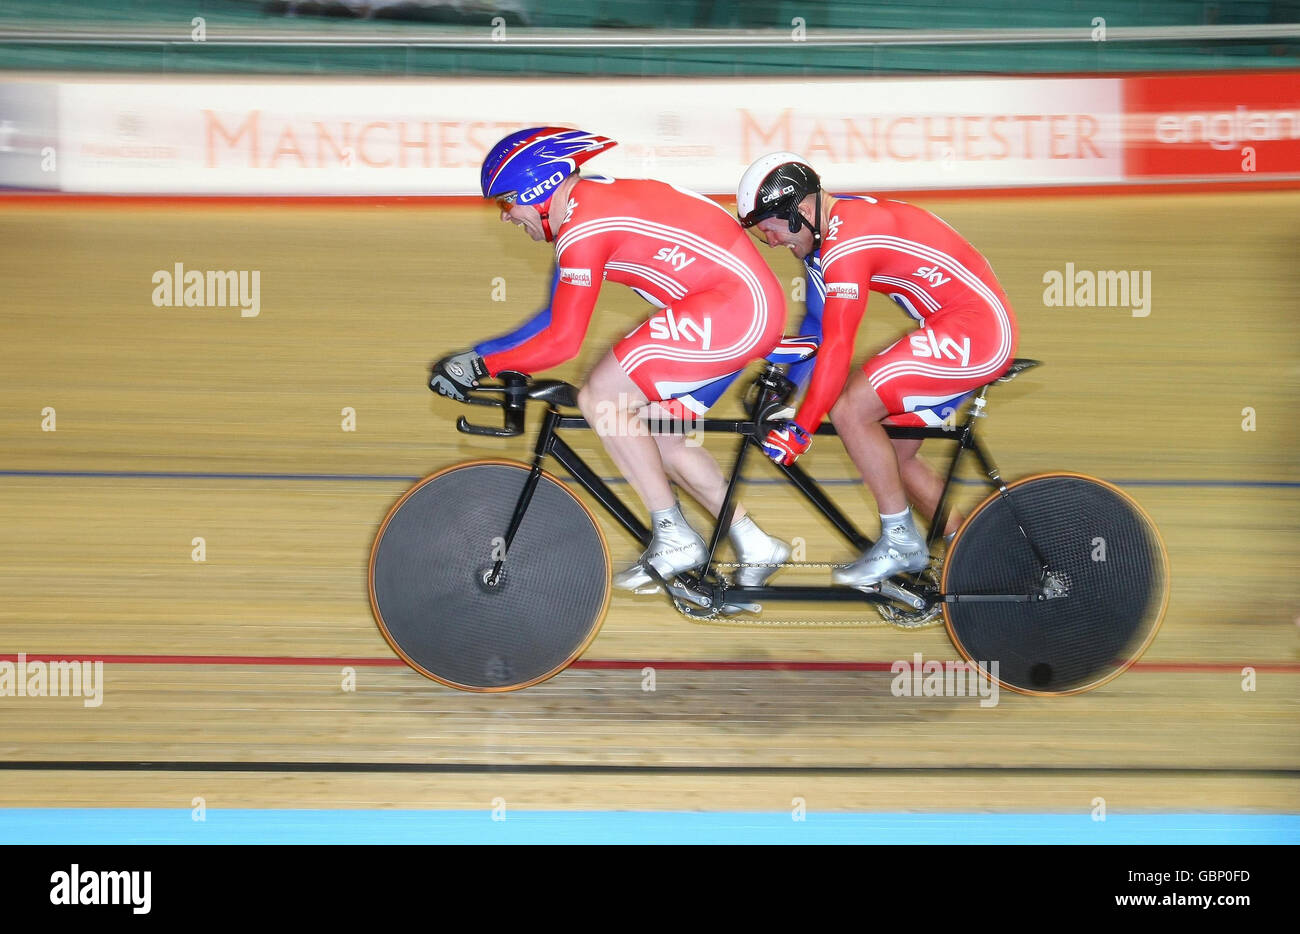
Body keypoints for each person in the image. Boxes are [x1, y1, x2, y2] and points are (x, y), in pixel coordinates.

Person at [430, 127, 792, 591]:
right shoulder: (588, 206)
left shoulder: (584, 228)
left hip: (733, 310)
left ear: (538, 187)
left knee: (602, 396)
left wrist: (482, 367)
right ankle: (755, 542)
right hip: (741, 308)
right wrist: (476, 356)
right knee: (662, 437)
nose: (506, 217)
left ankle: (674, 536)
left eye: (506, 202)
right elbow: (550, 317)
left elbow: (562, 343)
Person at [735, 152, 1019, 588]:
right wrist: (783, 387)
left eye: (770, 230)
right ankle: (976, 556)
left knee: (850, 409)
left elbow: (839, 344)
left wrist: (801, 429)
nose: (771, 243)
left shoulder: (848, 242)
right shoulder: (824, 239)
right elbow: (816, 324)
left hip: (975, 329)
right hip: (958, 327)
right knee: (886, 453)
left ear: (800, 212)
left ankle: (901, 541)